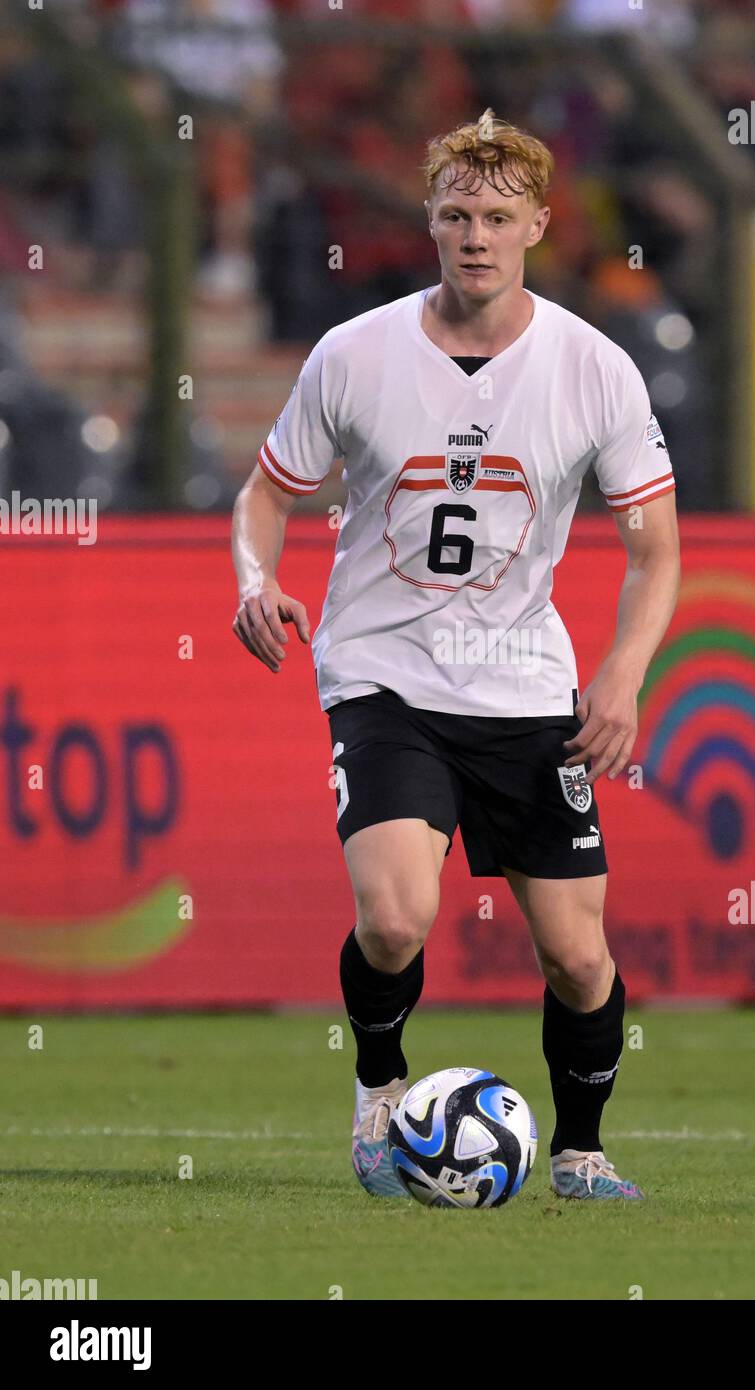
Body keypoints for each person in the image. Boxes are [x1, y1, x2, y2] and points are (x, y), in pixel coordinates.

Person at [231, 109, 681, 1201]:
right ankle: (380, 1085)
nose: (473, 235)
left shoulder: (592, 367)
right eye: (453, 215)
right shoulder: (354, 353)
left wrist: (619, 673)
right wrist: (255, 580)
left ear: (536, 222)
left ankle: (579, 1150)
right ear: (427, 224)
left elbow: (653, 547)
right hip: (384, 672)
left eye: (494, 216)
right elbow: (263, 495)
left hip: (527, 683)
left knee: (578, 955)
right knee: (393, 917)